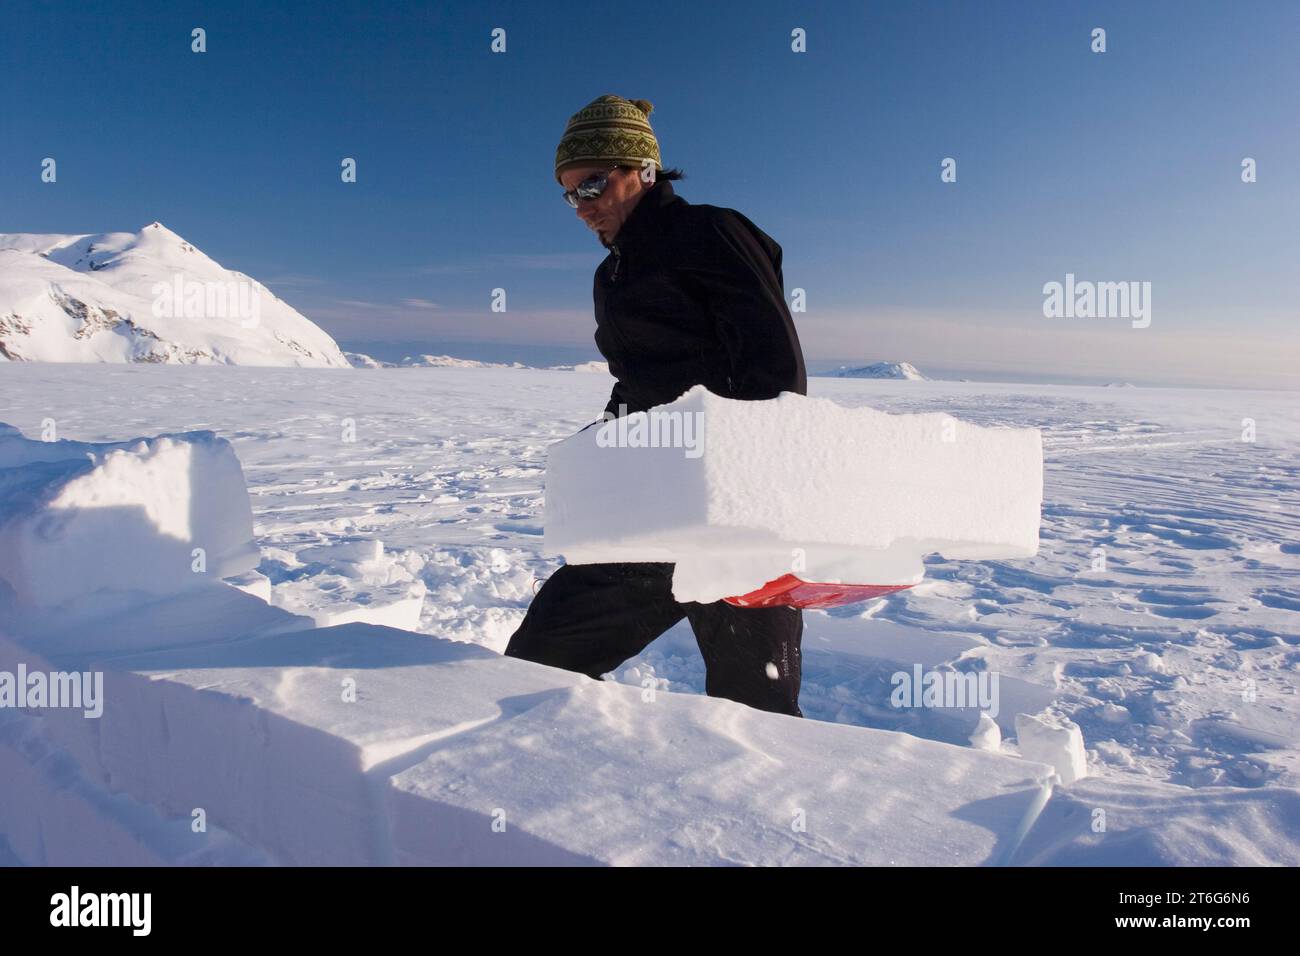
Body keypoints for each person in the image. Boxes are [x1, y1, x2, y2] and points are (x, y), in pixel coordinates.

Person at [504, 94, 808, 717]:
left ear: (641, 169)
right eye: (569, 193)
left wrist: (752, 486)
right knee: (541, 654)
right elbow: (636, 383)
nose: (582, 206)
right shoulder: (611, 275)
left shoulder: (712, 232)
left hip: (737, 510)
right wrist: (599, 450)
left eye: (591, 182)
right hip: (653, 500)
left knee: (755, 705)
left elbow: (776, 368)